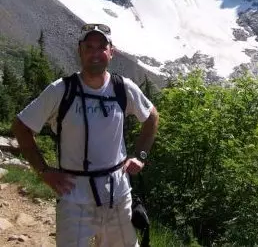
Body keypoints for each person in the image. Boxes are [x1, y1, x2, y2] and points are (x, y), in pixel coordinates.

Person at [12, 23, 159, 247]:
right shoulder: (60, 90)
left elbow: (151, 117)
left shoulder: (123, 88)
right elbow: (21, 127)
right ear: (79, 50)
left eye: (101, 47)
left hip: (117, 194)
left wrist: (140, 156)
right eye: (89, 47)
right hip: (74, 196)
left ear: (112, 51)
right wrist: (43, 171)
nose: (95, 53)